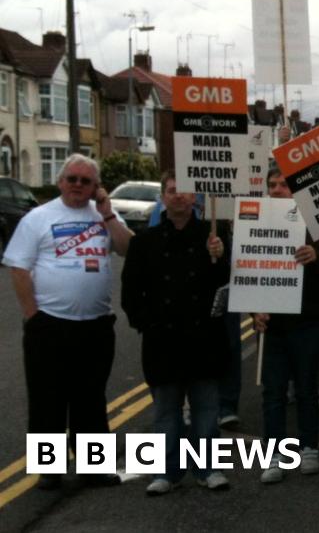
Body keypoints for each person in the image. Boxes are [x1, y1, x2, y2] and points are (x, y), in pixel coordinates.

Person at [5, 154, 132, 490]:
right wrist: (33, 317)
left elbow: (127, 248)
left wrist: (106, 212)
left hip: (95, 326)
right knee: (47, 398)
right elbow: (18, 268)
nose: (78, 185)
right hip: (49, 325)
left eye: (86, 181)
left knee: (90, 398)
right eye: (72, 179)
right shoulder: (38, 218)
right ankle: (50, 469)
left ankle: (94, 468)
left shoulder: (102, 215)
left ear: (95, 187)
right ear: (61, 182)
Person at [121, 172, 231, 495]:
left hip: (204, 340)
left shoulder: (213, 237)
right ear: (163, 198)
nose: (178, 196)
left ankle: (208, 469)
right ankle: (165, 473)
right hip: (163, 341)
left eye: (184, 191)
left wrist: (219, 257)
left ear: (195, 198)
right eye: (171, 191)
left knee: (206, 411)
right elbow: (131, 292)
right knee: (166, 413)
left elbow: (227, 285)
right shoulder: (144, 242)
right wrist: (146, 324)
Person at [255, 167, 319, 483]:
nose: (277, 189)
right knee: (273, 391)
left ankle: (309, 447)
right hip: (272, 324)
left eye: (284, 184)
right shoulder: (254, 220)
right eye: (272, 184)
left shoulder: (318, 225)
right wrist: (253, 311)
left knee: (307, 388)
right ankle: (274, 455)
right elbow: (245, 272)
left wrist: (317, 258)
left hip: (307, 320)